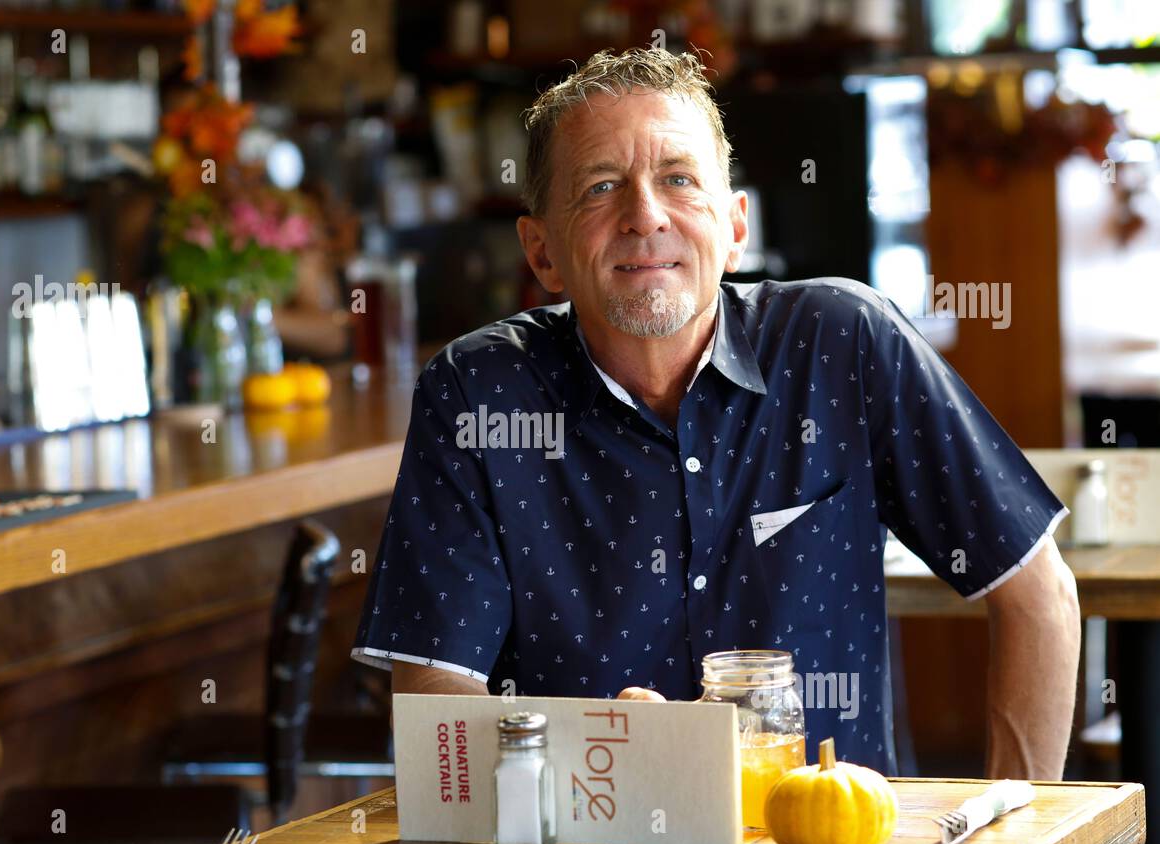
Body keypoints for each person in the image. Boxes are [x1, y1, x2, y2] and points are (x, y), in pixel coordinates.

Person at [351, 46, 1080, 778]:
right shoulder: (477, 391)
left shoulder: (842, 342)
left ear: (735, 228)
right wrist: (590, 747)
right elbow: (434, 705)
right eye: (601, 187)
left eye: (677, 180)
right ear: (541, 253)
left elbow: (1037, 594)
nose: (644, 215)